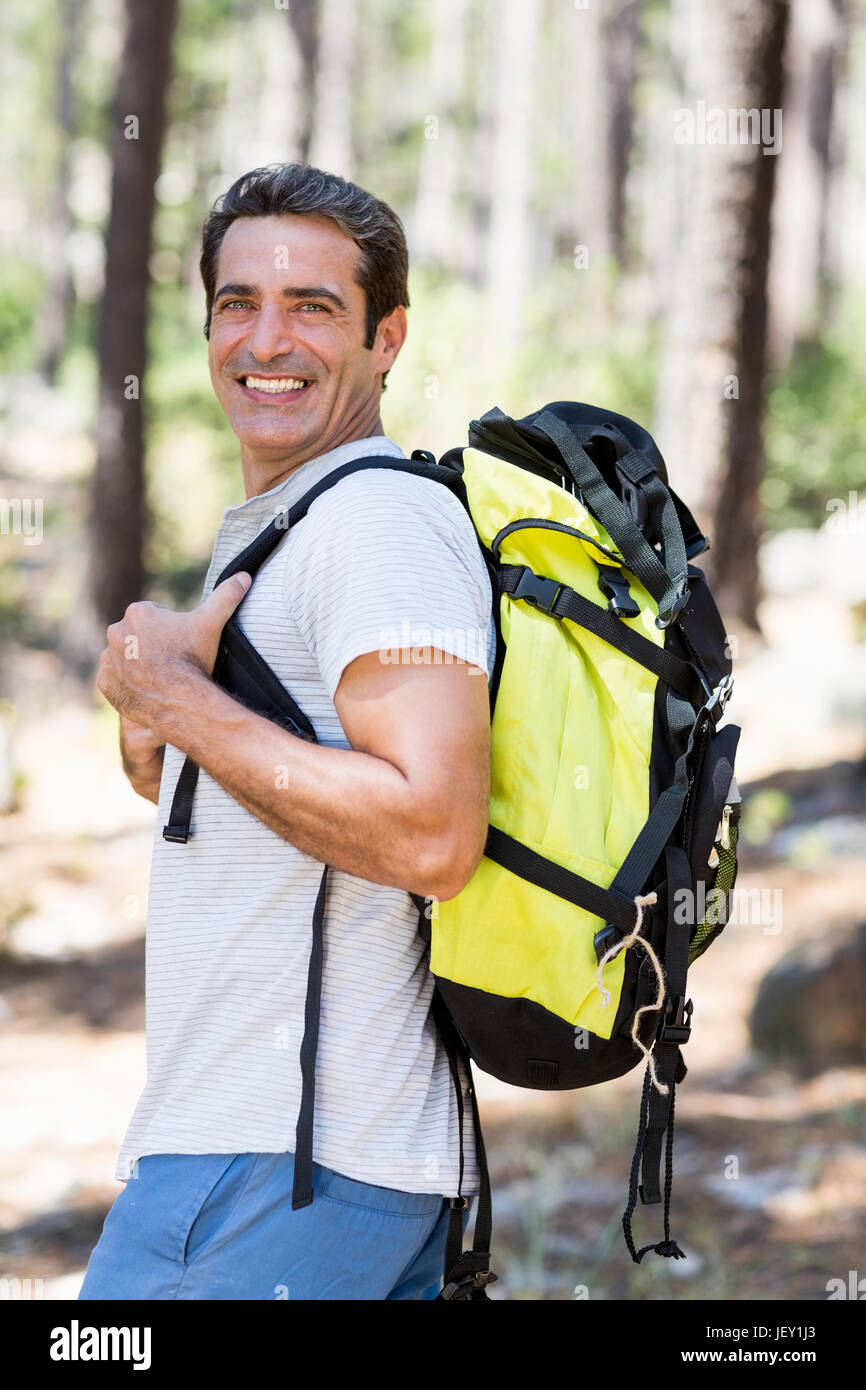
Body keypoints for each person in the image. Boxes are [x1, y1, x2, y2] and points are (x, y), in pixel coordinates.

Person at [80, 163, 495, 1300]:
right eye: (237, 302)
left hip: (281, 1165)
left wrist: (181, 705)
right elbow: (265, 792)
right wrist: (152, 728)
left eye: (312, 305)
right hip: (294, 1163)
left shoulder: (378, 522)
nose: (267, 340)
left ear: (386, 337)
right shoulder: (290, 525)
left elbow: (429, 835)